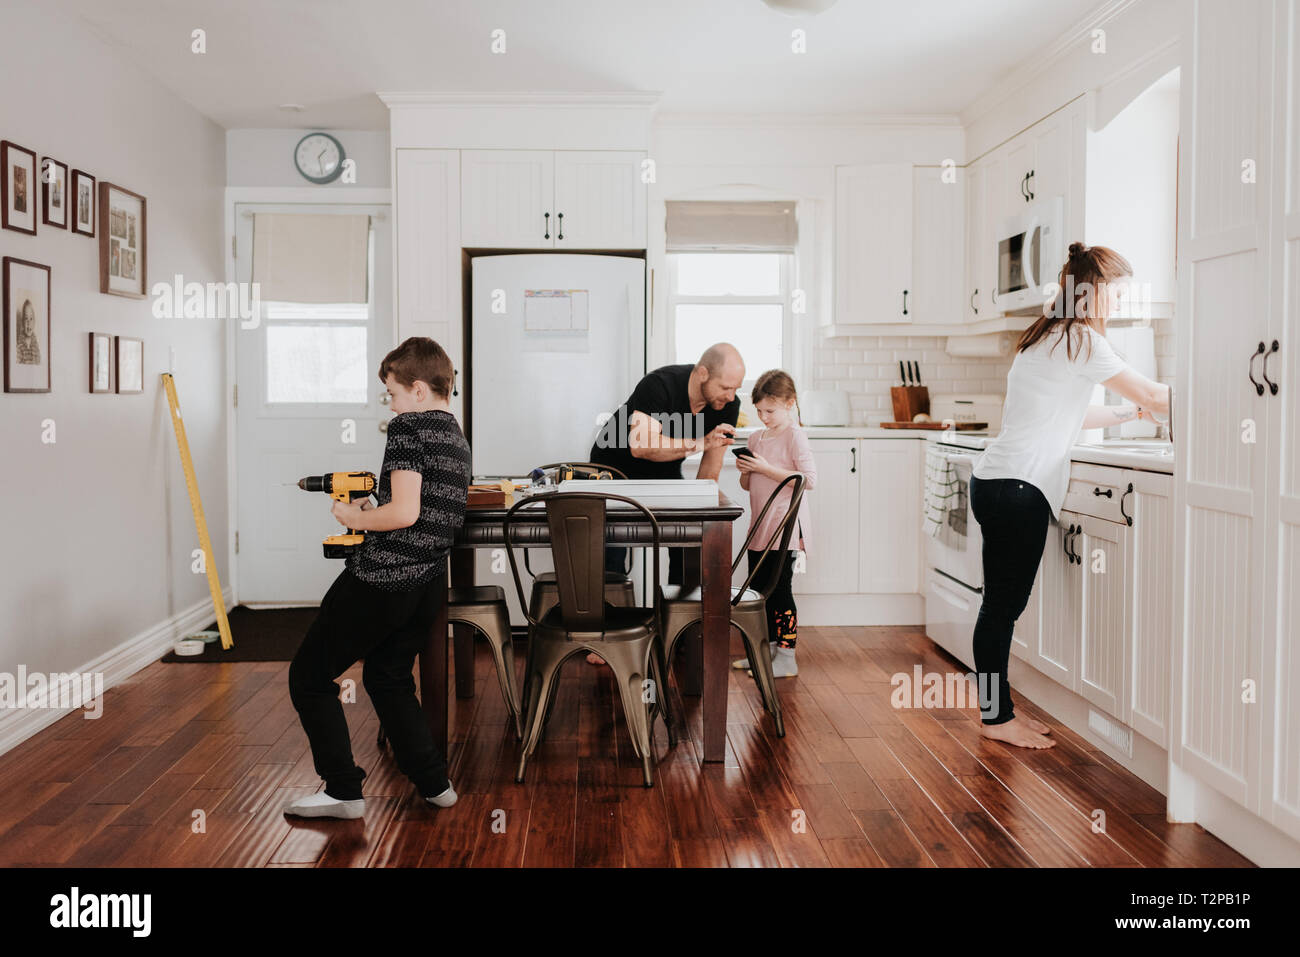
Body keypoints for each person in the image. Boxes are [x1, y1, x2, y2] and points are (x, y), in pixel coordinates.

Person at [969, 242, 1169, 749]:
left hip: (993, 482)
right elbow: (1152, 394)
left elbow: (1068, 415)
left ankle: (999, 713)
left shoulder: (1043, 337)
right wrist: (1206, 397)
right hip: (1020, 490)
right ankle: (997, 721)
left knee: (996, 606)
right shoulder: (1083, 341)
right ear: (1094, 291)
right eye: (1118, 294)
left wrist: (1129, 416)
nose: (1120, 304)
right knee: (1001, 609)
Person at [284, 337, 472, 819]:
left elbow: (405, 513)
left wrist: (354, 518)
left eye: (390, 393)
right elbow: (423, 511)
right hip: (427, 583)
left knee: (308, 675)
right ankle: (435, 784)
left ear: (417, 390)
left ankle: (343, 790)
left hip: (383, 579)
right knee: (387, 678)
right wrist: (377, 509)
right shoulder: (453, 432)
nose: (389, 404)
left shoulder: (407, 427)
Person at [585, 343, 743, 664]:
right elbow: (641, 446)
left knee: (688, 541)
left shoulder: (727, 405)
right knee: (613, 546)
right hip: (614, 469)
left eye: (736, 388)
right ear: (702, 374)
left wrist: (698, 514)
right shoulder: (660, 385)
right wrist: (700, 442)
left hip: (663, 471)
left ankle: (677, 631)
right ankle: (607, 638)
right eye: (725, 387)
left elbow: (710, 468)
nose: (730, 396)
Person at [733, 370, 817, 678]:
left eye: (770, 410)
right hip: (761, 525)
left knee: (780, 589)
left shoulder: (794, 435)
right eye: (759, 411)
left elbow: (808, 480)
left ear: (790, 404)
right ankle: (766, 650)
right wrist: (746, 470)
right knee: (759, 589)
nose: (763, 416)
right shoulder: (756, 437)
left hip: (785, 527)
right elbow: (747, 485)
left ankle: (786, 655)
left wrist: (766, 468)